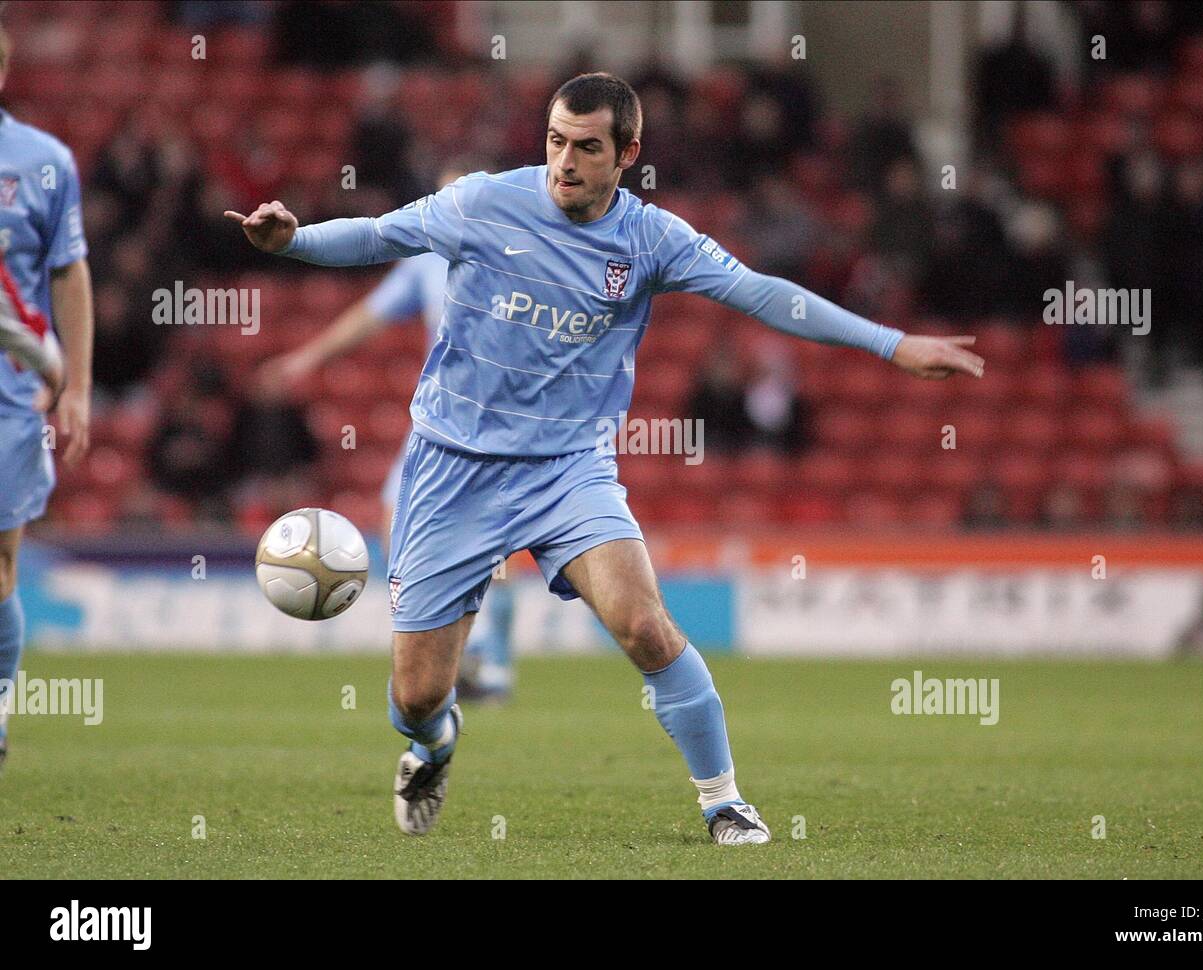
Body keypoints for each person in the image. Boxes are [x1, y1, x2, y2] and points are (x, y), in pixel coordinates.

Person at [226, 72, 984, 845]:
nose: (565, 162)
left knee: (645, 626)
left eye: (588, 148)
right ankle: (435, 743)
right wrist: (295, 240)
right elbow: (379, 235)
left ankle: (723, 800)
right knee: (418, 693)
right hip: (452, 469)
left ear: (627, 153)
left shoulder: (651, 239)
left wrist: (891, 344)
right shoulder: (484, 202)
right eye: (556, 142)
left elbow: (761, 293)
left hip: (567, 471)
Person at [256, 166, 516, 701]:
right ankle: (442, 644)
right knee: (396, 511)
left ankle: (490, 659)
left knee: (493, 539)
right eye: (442, 194)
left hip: (513, 420)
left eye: (460, 194)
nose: (450, 205)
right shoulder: (424, 258)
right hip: (444, 417)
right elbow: (369, 315)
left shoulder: (517, 252)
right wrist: (305, 359)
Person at [0, 25, 95, 774]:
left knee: (0, 566)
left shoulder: (42, 163)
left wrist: (77, 387)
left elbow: (68, 272)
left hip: (10, 399)